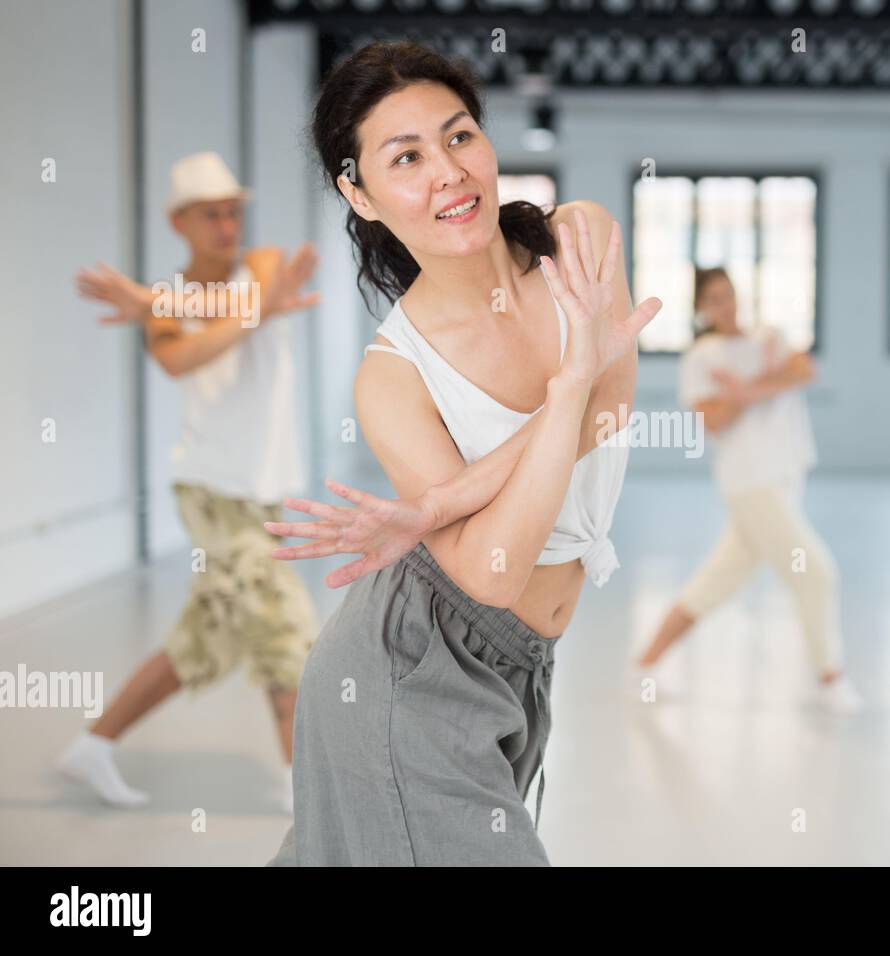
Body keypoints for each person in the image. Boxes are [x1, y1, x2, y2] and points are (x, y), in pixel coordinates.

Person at [262, 41, 661, 866]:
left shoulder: (578, 241)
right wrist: (570, 383)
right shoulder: (393, 375)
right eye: (405, 156)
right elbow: (493, 571)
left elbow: (609, 411)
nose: (448, 171)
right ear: (358, 193)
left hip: (518, 676)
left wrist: (445, 501)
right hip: (408, 671)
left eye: (459, 136)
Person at [58, 151, 321, 813]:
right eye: (212, 214)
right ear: (180, 222)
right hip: (211, 489)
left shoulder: (261, 267)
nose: (228, 224)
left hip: (261, 490)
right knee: (284, 626)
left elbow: (252, 299)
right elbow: (187, 358)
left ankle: (92, 747)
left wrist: (155, 303)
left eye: (233, 211)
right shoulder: (177, 304)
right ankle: (306, 789)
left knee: (203, 641)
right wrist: (188, 307)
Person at [633, 267, 862, 714]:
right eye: (714, 299)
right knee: (815, 572)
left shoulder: (768, 336)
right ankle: (829, 678)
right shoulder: (702, 358)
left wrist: (745, 390)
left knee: (718, 579)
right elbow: (712, 421)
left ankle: (642, 666)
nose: (726, 305)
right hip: (749, 482)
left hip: (786, 475)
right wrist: (752, 390)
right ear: (701, 308)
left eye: (729, 295)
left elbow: (803, 370)